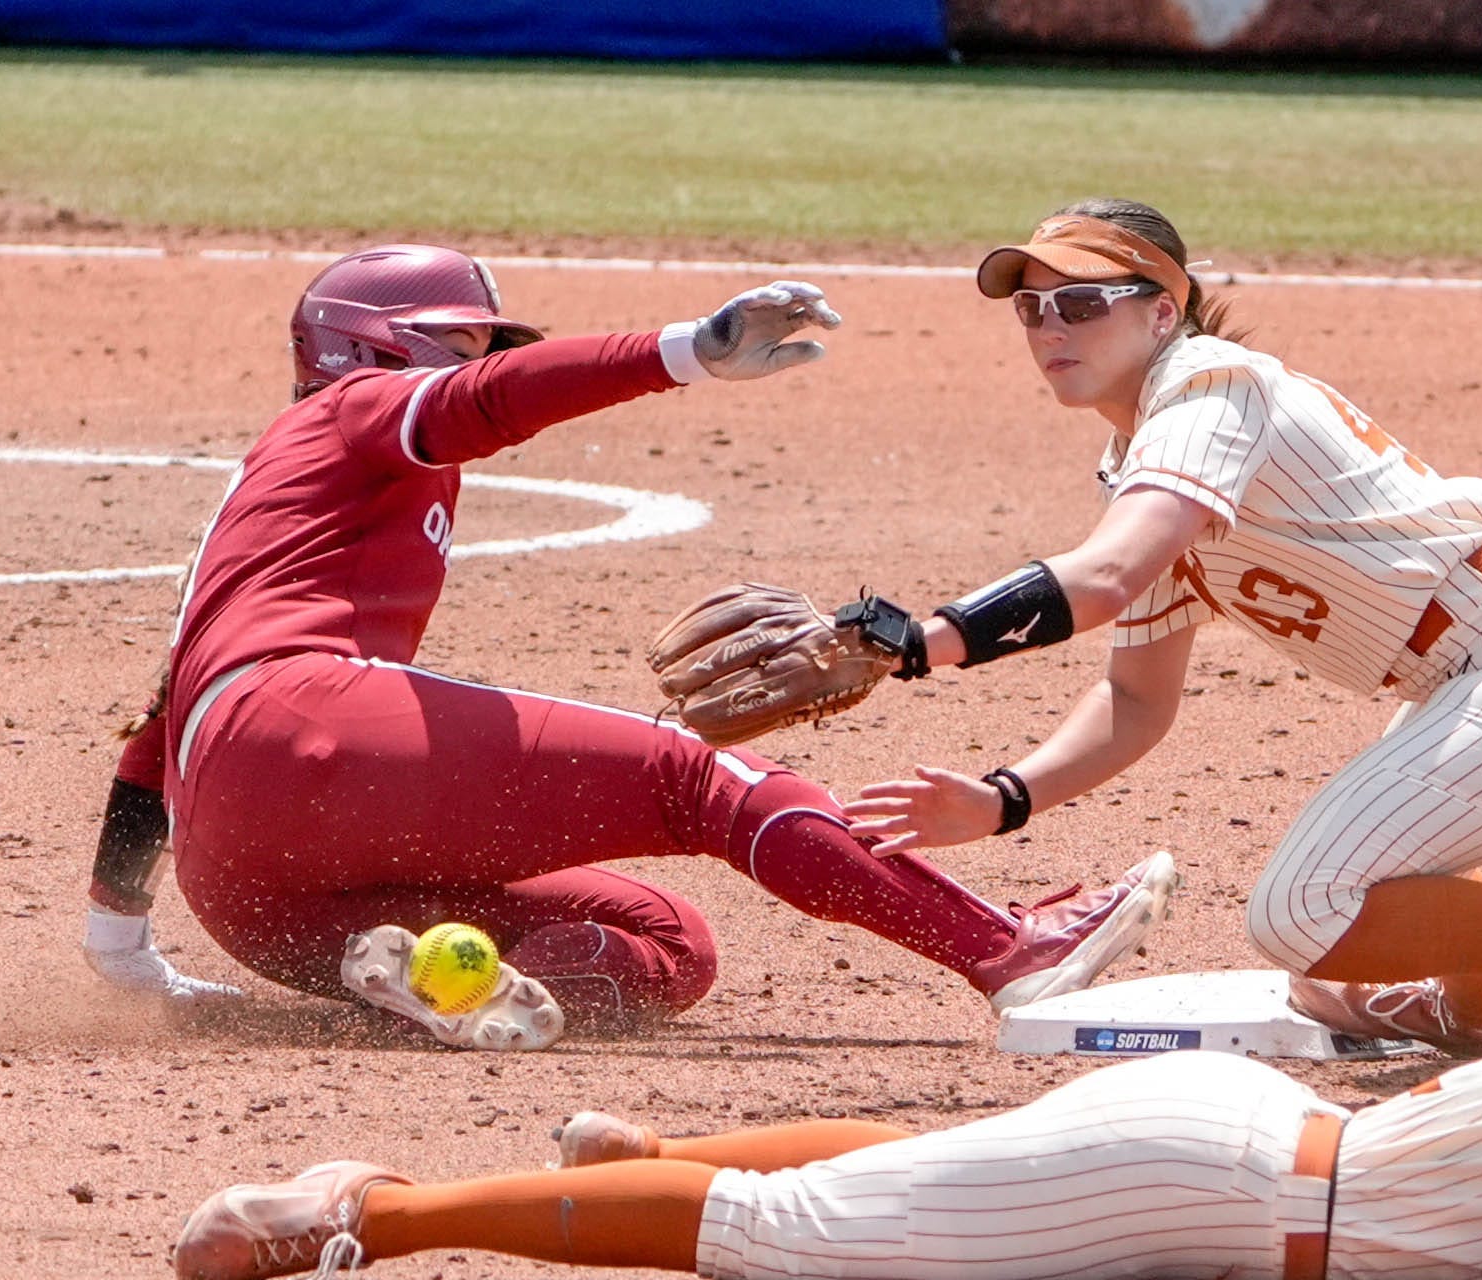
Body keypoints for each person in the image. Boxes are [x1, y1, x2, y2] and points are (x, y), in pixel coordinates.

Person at [79, 243, 1175, 1048]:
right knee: (700, 781)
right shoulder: (352, 409)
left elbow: (156, 732)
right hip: (300, 724)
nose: (480, 356)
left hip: (253, 896)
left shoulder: (266, 505)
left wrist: (119, 943)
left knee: (665, 947)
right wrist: (685, 352)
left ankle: (424, 975)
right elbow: (484, 401)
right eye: (460, 339)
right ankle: (1008, 950)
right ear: (375, 346)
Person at [831, 197, 1482, 1059]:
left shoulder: (1210, 389)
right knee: (1391, 846)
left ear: (1161, 313)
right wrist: (1002, 798)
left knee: (1302, 912)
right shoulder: (1151, 463)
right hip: (1478, 665)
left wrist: (921, 641)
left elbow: (1103, 577)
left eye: (1081, 301)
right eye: (1031, 308)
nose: (1049, 327)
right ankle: (1478, 1008)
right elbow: (1135, 698)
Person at [170, 914, 1482, 1280]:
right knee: (790, 1245)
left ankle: (642, 1157)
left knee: (922, 1169)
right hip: (1205, 1192)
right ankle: (368, 1211)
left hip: (1234, 1158)